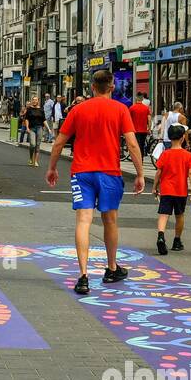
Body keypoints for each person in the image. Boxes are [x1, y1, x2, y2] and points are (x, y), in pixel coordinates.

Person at [46, 70, 143, 295]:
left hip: (82, 172)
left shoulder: (78, 110)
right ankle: (111, 268)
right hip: (109, 172)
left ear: (92, 87)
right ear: (111, 87)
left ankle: (83, 276)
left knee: (83, 220)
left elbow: (59, 142)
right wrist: (139, 173)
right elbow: (132, 143)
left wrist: (52, 168)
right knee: (110, 220)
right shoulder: (120, 109)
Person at [152, 123, 191, 255]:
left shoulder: (165, 154)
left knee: (163, 214)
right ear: (183, 138)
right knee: (179, 215)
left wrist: (155, 187)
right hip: (181, 190)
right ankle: (177, 240)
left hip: (166, 189)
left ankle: (161, 236)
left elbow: (158, 172)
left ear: (170, 138)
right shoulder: (188, 156)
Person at [22, 96, 46, 166]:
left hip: (40, 128)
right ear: (32, 101)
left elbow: (44, 119)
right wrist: (27, 128)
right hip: (32, 128)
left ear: (38, 101)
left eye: (36, 100)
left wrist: (49, 129)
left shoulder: (41, 109)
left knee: (38, 145)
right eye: (33, 100)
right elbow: (26, 119)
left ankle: (35, 161)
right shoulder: (29, 109)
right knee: (32, 144)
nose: (34, 101)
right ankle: (30, 158)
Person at [129, 94, 151, 159]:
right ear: (142, 99)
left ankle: (136, 158)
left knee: (136, 145)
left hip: (134, 130)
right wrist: (149, 128)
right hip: (143, 130)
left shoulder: (132, 108)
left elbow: (129, 119)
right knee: (142, 144)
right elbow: (149, 119)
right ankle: (141, 158)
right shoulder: (146, 108)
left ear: (136, 99)